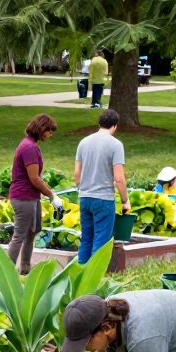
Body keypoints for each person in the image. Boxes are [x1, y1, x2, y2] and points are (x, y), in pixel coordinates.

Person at [6, 114, 62, 274]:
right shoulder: (29, 147)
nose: (50, 135)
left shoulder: (30, 145)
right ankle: (6, 273)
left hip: (31, 197)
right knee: (20, 235)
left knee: (32, 232)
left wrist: (50, 193)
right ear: (42, 129)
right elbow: (34, 178)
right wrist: (51, 196)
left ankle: (25, 268)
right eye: (50, 131)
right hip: (23, 197)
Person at [74, 109, 129, 264]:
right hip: (103, 199)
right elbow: (119, 178)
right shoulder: (116, 145)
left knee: (86, 238)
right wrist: (125, 200)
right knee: (101, 241)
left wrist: (83, 188)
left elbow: (77, 175)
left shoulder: (83, 142)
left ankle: (81, 275)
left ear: (99, 123)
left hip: (84, 197)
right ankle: (94, 280)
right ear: (115, 126)